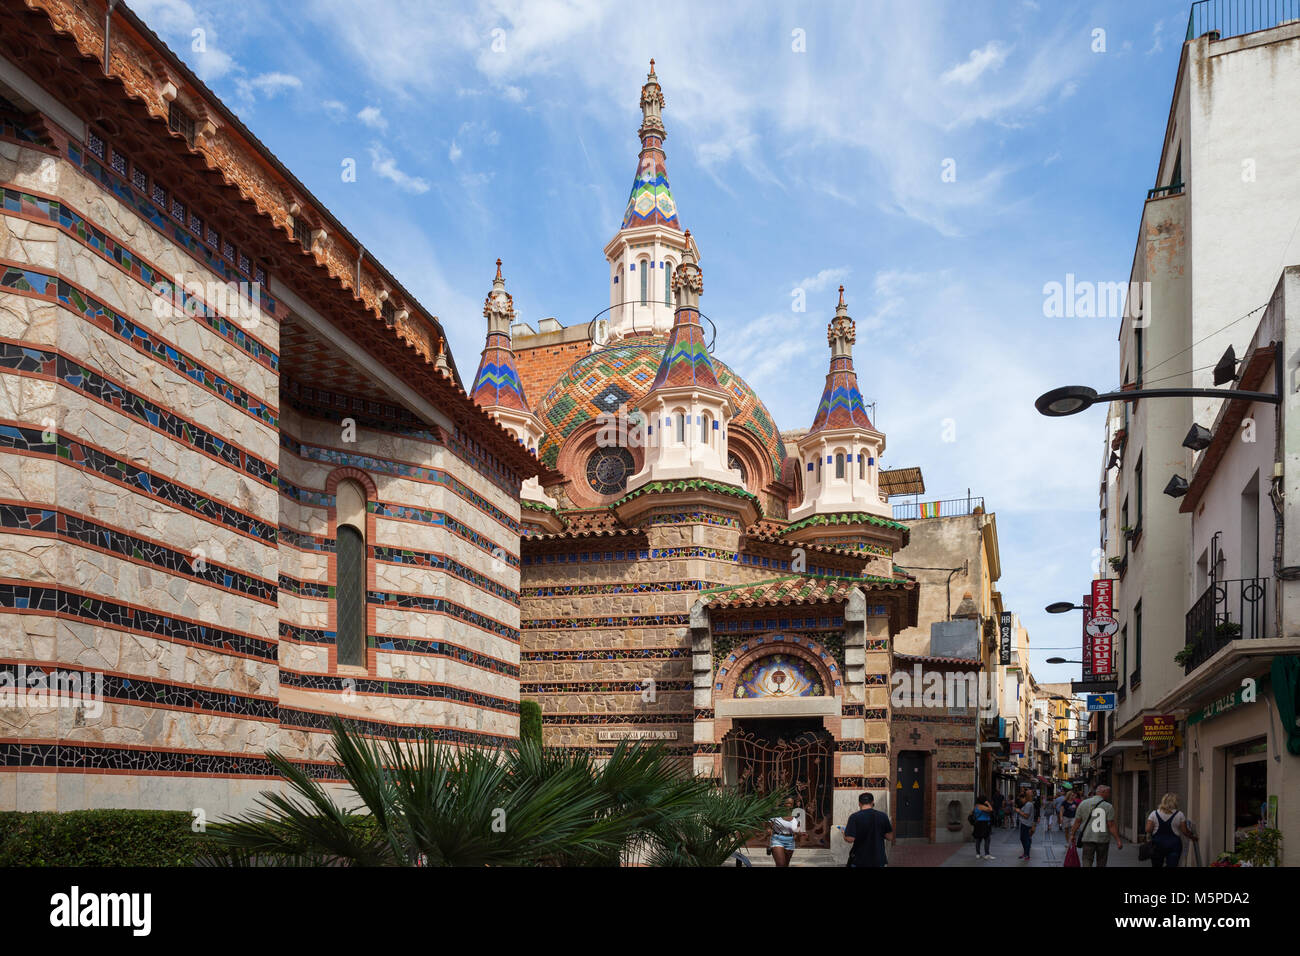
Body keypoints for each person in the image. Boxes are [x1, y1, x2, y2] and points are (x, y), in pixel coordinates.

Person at [1070, 784, 1123, 867]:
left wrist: (1072, 834)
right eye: (1108, 793)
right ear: (1103, 792)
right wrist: (1118, 840)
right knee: (1101, 862)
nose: (1109, 795)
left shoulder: (1083, 803)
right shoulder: (1108, 806)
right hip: (1103, 839)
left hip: (1087, 838)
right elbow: (1111, 825)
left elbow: (1077, 822)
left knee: (1087, 860)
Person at [1145, 793, 1196, 868]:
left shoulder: (1154, 814)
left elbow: (1148, 829)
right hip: (1174, 845)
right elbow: (1185, 831)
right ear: (1175, 802)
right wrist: (1193, 837)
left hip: (1157, 845)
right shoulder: (1179, 814)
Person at [843, 792, 892, 867]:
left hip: (860, 860)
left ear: (859, 803)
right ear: (872, 803)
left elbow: (850, 839)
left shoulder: (854, 817)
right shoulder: (883, 816)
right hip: (878, 859)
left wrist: (844, 834)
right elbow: (890, 837)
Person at [766, 797, 801, 867]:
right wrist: (768, 830)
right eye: (787, 803)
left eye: (791, 803)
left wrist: (797, 834)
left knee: (785, 864)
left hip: (790, 841)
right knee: (780, 864)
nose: (789, 805)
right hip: (777, 839)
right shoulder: (776, 815)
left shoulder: (796, 816)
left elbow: (798, 829)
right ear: (783, 804)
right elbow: (768, 827)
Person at [972, 795, 995, 860]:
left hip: (978, 824)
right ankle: (987, 854)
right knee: (987, 839)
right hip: (984, 824)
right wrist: (988, 803)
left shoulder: (976, 806)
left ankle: (978, 854)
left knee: (978, 839)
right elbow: (991, 809)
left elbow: (972, 813)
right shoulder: (982, 807)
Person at [1014, 793, 1035, 860]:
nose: (1021, 801)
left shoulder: (1028, 804)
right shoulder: (1027, 804)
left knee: (1026, 839)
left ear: (1025, 797)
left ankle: (1027, 855)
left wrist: (1018, 811)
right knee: (1023, 839)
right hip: (1025, 824)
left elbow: (1026, 815)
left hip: (1026, 824)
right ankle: (1025, 853)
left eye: (1021, 799)